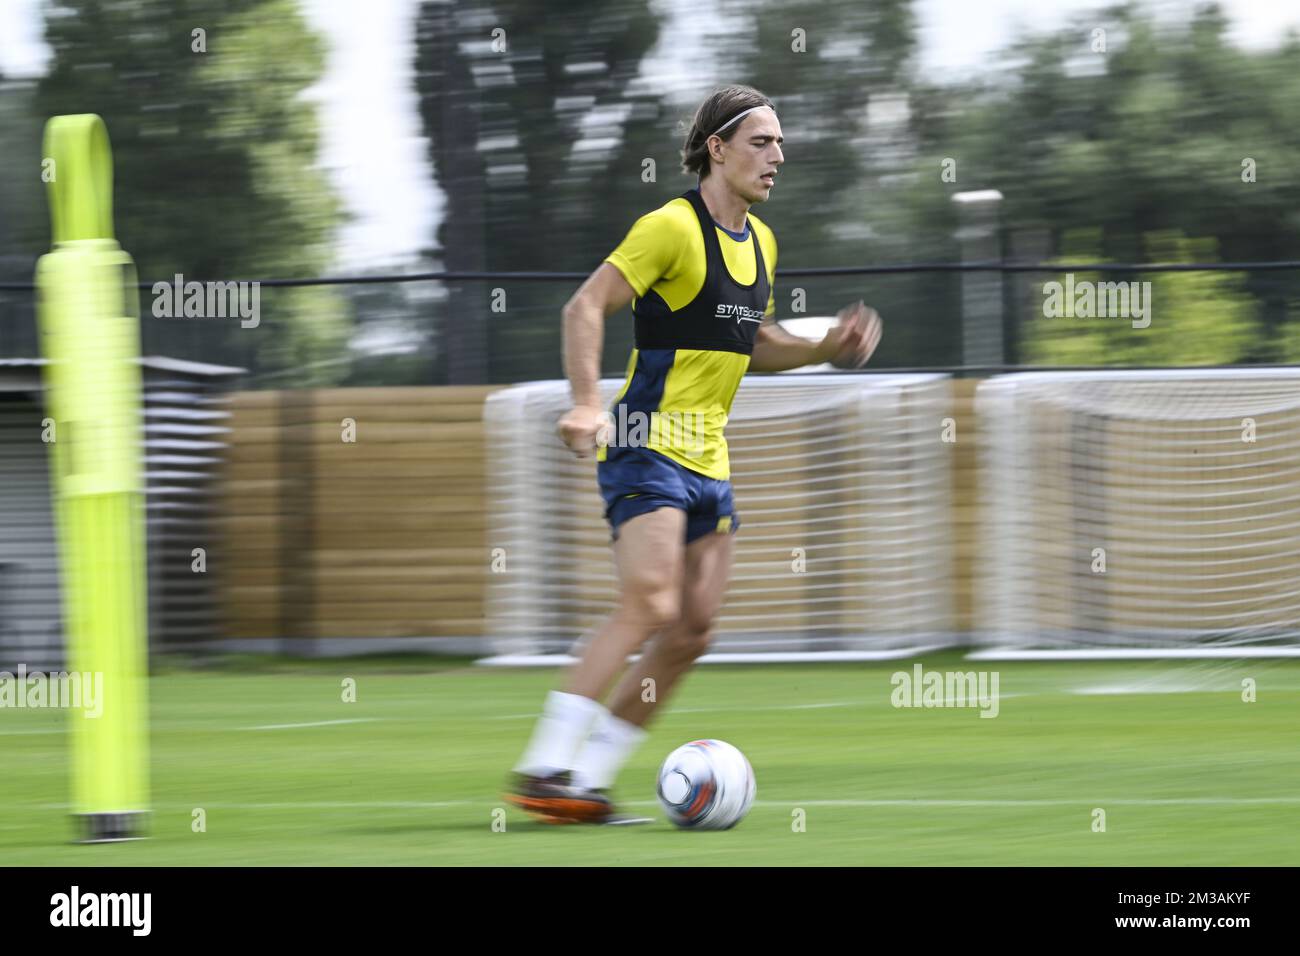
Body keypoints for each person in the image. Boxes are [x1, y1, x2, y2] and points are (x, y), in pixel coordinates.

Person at [505, 84, 882, 824]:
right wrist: (586, 402)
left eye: (779, 143)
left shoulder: (763, 243)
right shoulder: (670, 227)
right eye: (762, 142)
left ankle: (584, 782)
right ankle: (544, 765)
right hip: (645, 442)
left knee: (694, 629)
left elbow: (758, 343)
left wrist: (827, 349)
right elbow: (585, 305)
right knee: (651, 601)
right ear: (718, 148)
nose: (778, 156)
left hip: (709, 458)